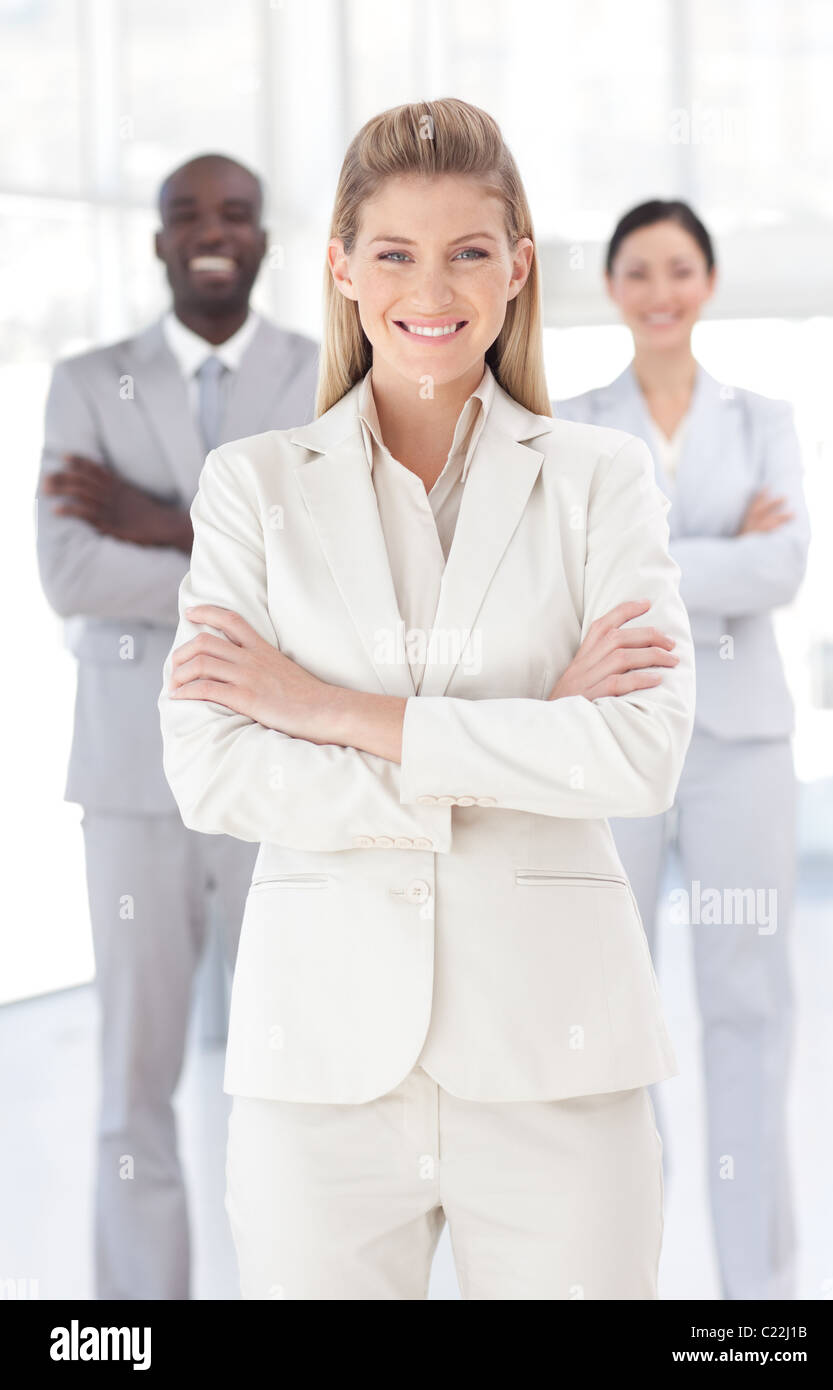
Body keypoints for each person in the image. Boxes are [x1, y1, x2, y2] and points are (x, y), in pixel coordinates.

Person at [158, 102, 695, 1301]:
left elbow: (640, 754)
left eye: (466, 251)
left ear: (516, 269)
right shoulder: (250, 489)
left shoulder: (601, 481)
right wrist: (526, 738)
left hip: (558, 1055)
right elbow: (213, 771)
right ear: (342, 268)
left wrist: (328, 706)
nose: (430, 287)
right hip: (320, 1068)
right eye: (394, 251)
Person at [35, 153, 318, 1300]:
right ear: (157, 241)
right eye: (187, 215)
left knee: (292, 1071)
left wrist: (160, 517)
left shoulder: (321, 375)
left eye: (236, 213)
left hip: (279, 771)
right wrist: (233, 562)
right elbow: (68, 568)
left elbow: (325, 576)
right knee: (133, 1078)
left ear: (262, 238)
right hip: (132, 779)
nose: (213, 231)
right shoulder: (86, 379)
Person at [554, 199, 811, 1300]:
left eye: (679, 268)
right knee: (617, 1008)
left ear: (705, 281)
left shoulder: (763, 418)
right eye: (637, 270)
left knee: (747, 1004)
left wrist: (648, 565)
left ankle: (758, 1297)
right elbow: (569, 580)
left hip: (740, 741)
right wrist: (718, 553)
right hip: (618, 730)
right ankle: (626, 1278)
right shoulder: (570, 422)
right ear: (611, 286)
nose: (659, 290)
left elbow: (783, 567)